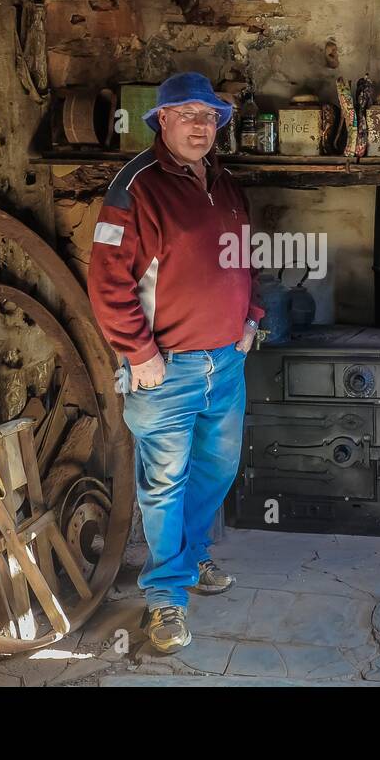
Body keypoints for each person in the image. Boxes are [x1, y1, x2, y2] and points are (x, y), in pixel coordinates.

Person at [88, 72, 262, 653]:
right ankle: (166, 599)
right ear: (161, 120)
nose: (201, 125)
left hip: (226, 363)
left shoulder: (228, 183)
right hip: (165, 371)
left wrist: (251, 317)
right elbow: (107, 278)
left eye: (210, 117)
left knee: (217, 472)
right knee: (165, 484)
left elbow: (244, 259)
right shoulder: (135, 185)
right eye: (188, 113)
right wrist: (138, 353)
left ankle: (188, 560)